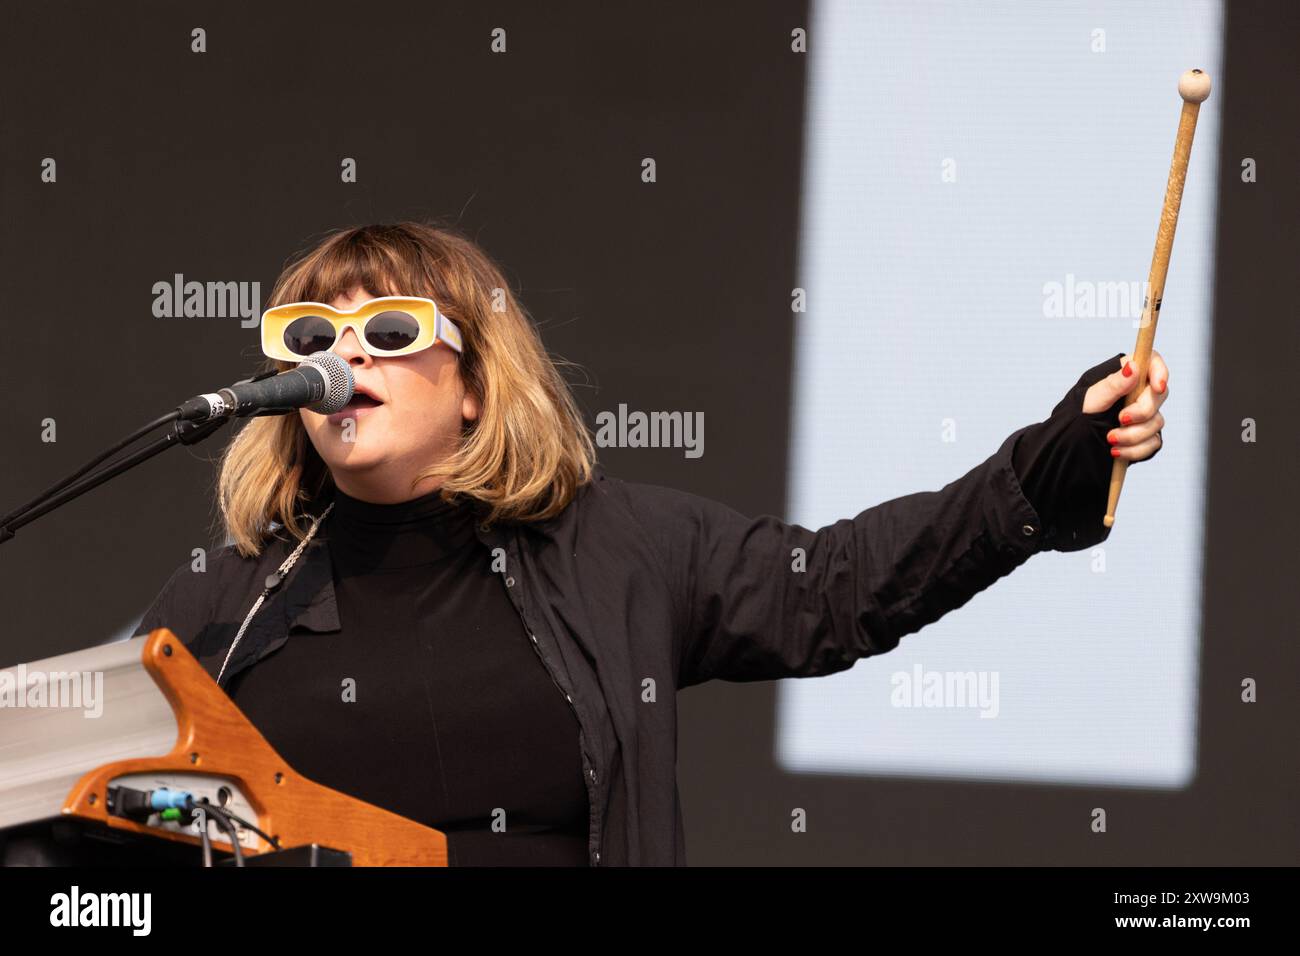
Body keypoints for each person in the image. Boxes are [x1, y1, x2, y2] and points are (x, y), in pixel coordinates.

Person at [134, 220, 1169, 866]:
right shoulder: (231, 603)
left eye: (392, 330)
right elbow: (111, 799)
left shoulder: (616, 546)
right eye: (308, 338)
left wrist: (1048, 462)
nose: (343, 353)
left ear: (478, 384)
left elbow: (840, 588)